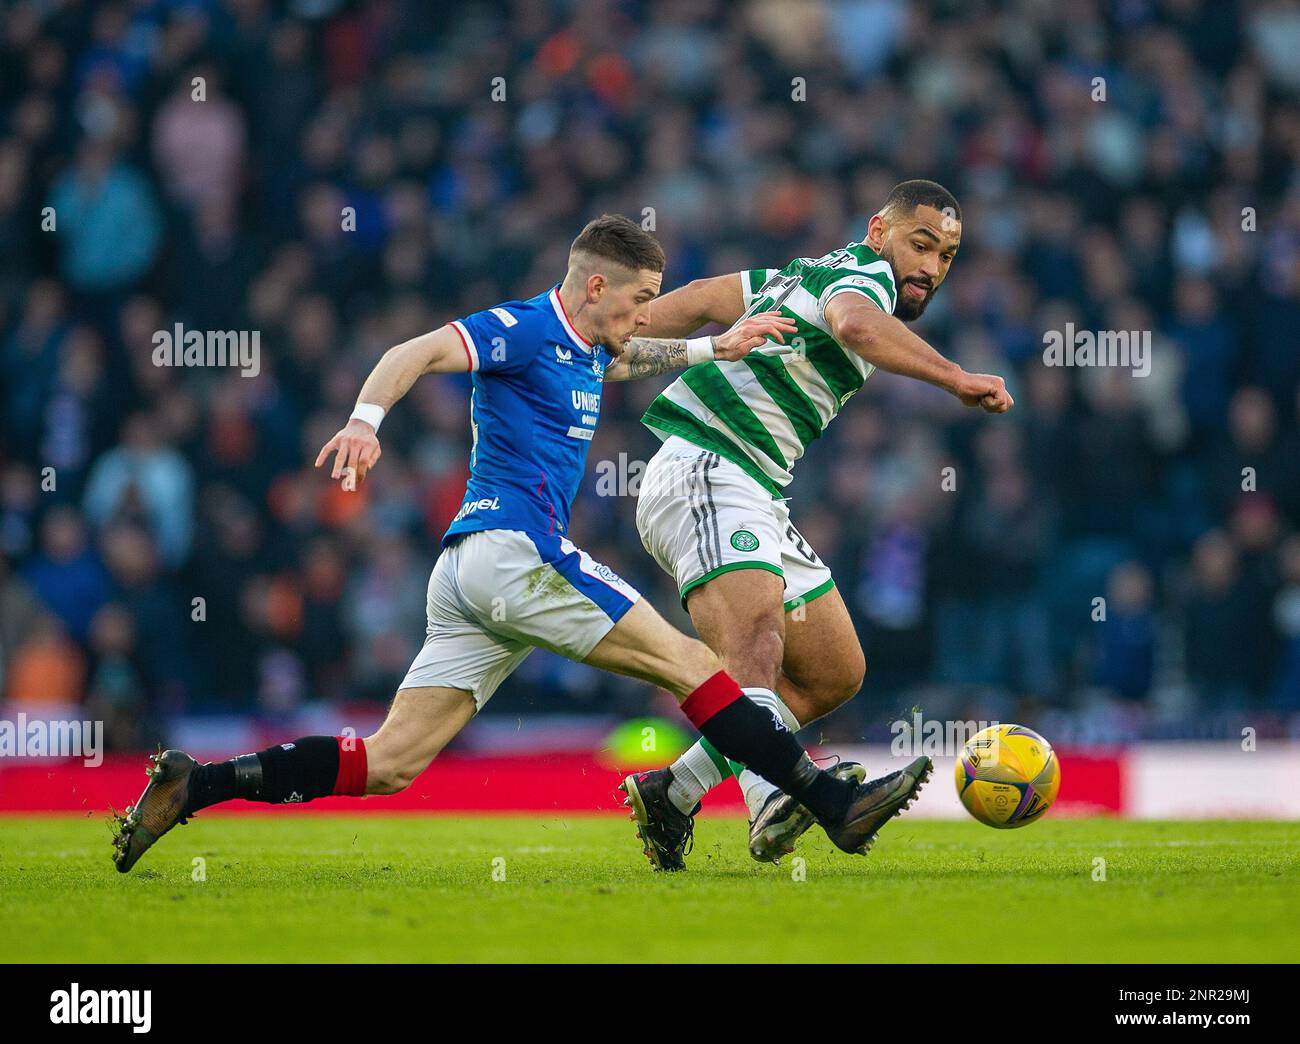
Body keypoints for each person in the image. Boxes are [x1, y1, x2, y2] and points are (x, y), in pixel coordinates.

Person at [111, 214, 933, 875]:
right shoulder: (526, 326)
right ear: (596, 283)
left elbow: (626, 354)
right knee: (696, 669)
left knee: (391, 761)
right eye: (639, 296)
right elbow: (418, 350)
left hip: (468, 573)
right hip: (517, 552)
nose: (646, 312)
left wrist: (712, 346)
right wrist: (366, 421)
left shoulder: (581, 344)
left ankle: (196, 785)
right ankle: (827, 801)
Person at [623, 182, 1012, 867]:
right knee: (757, 641)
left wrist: (620, 328)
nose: (931, 266)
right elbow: (857, 325)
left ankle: (672, 792)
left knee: (834, 670)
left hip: (756, 486)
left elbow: (711, 296)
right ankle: (773, 796)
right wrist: (955, 378)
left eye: (947, 254)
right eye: (920, 244)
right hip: (707, 464)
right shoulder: (862, 279)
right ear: (877, 231)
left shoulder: (794, 278)